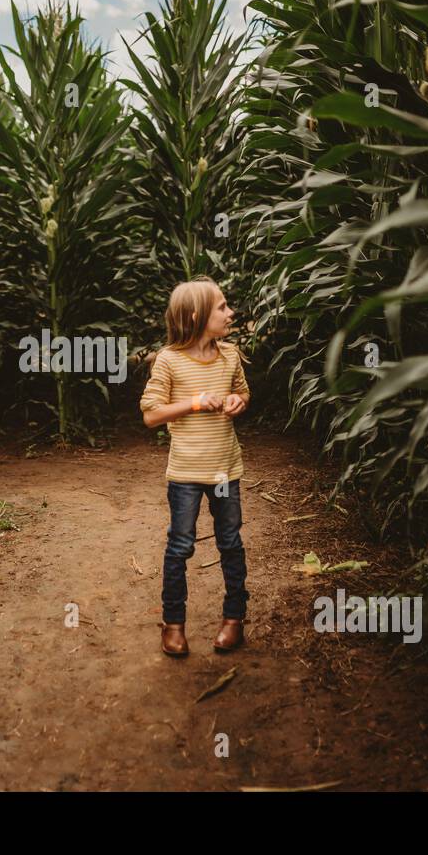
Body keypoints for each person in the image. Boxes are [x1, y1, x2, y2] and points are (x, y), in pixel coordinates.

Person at [139, 276, 250, 657]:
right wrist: (196, 402)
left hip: (224, 471)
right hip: (186, 473)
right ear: (196, 315)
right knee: (180, 546)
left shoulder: (231, 355)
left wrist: (238, 401)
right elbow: (152, 415)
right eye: (222, 307)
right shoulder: (169, 360)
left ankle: (234, 619)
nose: (230, 312)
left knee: (231, 543)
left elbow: (242, 391)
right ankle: (173, 624)